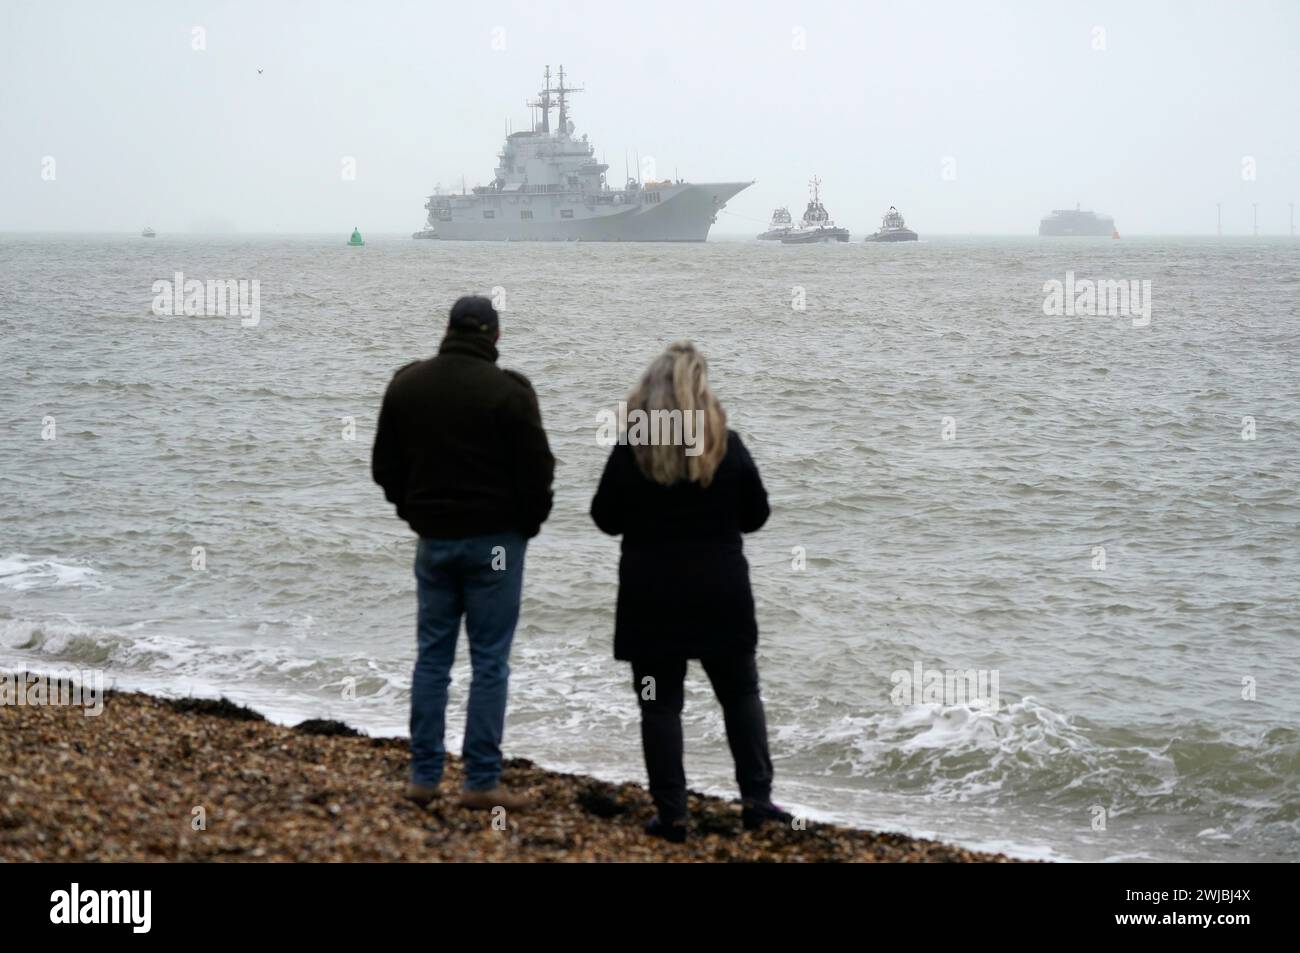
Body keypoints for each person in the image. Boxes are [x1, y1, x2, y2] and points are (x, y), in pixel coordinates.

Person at [590, 341, 791, 842]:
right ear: (702, 390)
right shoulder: (728, 445)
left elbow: (605, 519)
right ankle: (757, 802)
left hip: (650, 594)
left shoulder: (632, 449)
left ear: (647, 393)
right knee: (740, 693)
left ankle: (673, 814)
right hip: (720, 590)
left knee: (660, 705)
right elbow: (758, 516)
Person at [373, 296, 554, 811]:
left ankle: (424, 777)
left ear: (447, 328)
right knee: (490, 661)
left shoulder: (407, 383)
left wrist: (413, 512)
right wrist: (528, 525)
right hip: (497, 543)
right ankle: (480, 781)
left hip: (434, 539)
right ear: (495, 337)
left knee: (433, 658)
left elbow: (384, 464)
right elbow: (538, 471)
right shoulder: (511, 392)